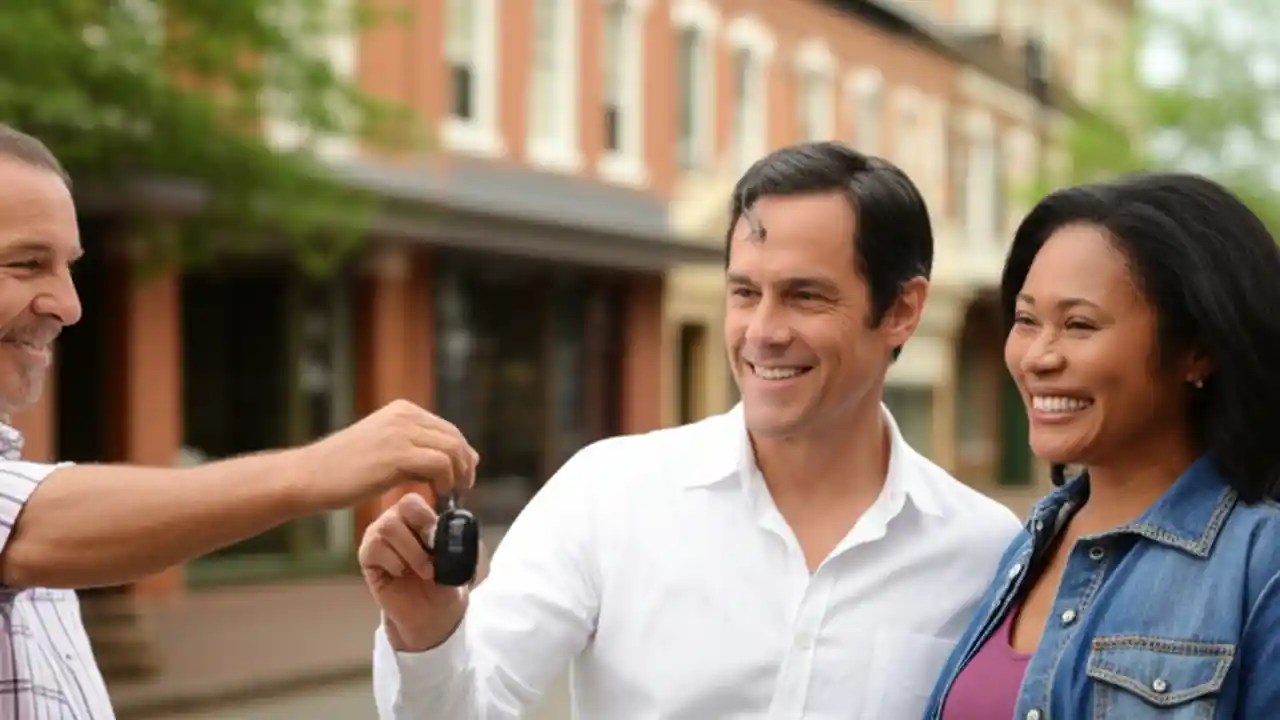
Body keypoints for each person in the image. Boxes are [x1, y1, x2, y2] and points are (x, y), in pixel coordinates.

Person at [362, 141, 1022, 719]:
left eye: (804, 295)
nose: (762, 331)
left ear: (902, 310)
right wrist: (428, 636)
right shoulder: (607, 494)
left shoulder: (987, 552)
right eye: (744, 293)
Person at [0, 124, 479, 719]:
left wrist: (428, 643)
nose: (68, 305)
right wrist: (312, 472)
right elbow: (23, 527)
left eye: (68, 266)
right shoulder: (35, 526)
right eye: (26, 264)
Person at [923, 172, 1280, 720]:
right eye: (1026, 320)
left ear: (1197, 350)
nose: (1039, 356)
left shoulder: (1262, 561)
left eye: (1079, 324)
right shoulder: (1026, 548)